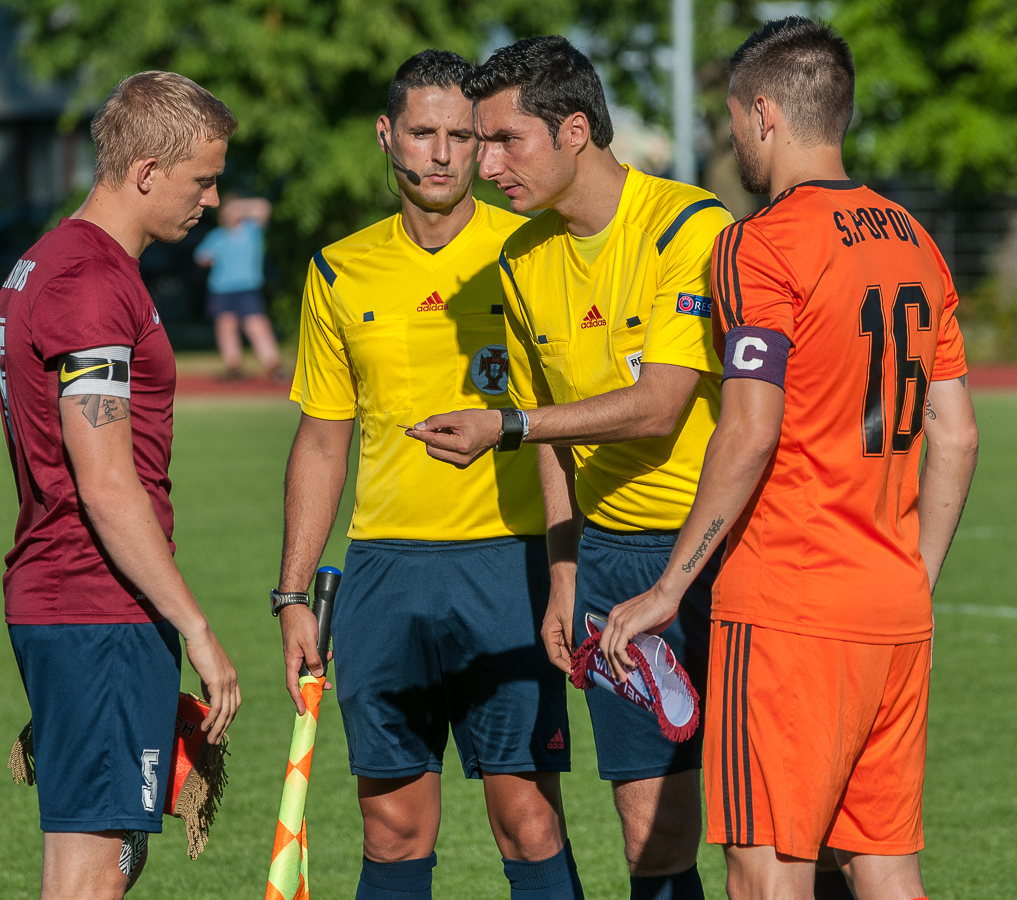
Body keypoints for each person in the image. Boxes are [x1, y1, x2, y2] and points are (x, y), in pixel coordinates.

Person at [596, 17, 979, 900]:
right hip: (891, 604)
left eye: (734, 119)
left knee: (766, 870)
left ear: (762, 113)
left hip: (787, 607)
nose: (734, 138)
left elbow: (748, 429)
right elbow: (955, 435)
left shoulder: (756, 243)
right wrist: (912, 580)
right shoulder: (913, 239)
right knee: (885, 868)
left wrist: (668, 588)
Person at [408, 36, 734, 900]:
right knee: (649, 830)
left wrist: (506, 425)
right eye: (480, 142)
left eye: (503, 140)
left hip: (729, 548)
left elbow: (660, 404)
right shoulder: (519, 260)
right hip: (614, 561)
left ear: (575, 129)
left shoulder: (690, 227)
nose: (483, 166)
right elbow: (552, 439)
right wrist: (564, 575)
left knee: (772, 824)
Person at [276, 50, 584, 900]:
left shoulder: (531, 250)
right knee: (392, 829)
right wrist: (292, 591)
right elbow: (322, 441)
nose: (443, 154)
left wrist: (564, 572)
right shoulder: (338, 269)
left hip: (508, 564)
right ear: (387, 135)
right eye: (422, 133)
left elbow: (563, 421)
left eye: (462, 136)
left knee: (528, 820)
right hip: (384, 571)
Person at [0, 71, 242, 900]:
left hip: (82, 603)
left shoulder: (50, 261)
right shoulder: (91, 281)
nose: (211, 199)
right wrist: (197, 630)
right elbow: (104, 483)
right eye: (201, 179)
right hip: (93, 605)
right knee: (93, 875)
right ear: (145, 171)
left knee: (107, 856)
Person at [193, 195, 283, 379]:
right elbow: (201, 257)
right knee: (226, 327)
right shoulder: (217, 236)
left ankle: (273, 365)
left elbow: (264, 206)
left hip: (247, 287)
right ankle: (234, 367)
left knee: (256, 325)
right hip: (221, 288)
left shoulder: (252, 230)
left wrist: (237, 205)